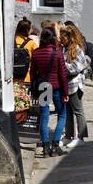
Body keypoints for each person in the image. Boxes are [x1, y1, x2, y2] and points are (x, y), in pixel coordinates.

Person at [30, 29, 69, 157]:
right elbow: (63, 74)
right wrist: (66, 92)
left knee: (44, 116)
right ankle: (56, 145)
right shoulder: (57, 53)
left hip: (43, 87)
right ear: (53, 38)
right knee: (62, 114)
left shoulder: (35, 53)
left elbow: (33, 74)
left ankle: (45, 147)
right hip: (56, 87)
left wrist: (34, 89)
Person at [61, 22, 89, 145]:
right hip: (66, 85)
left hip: (75, 85)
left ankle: (81, 138)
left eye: (63, 38)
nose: (61, 40)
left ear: (70, 37)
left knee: (78, 111)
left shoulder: (77, 49)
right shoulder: (65, 49)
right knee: (68, 112)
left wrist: (61, 63)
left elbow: (75, 68)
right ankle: (68, 136)